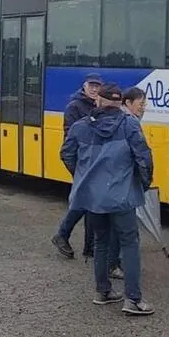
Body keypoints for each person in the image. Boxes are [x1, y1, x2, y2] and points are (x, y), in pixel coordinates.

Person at [60, 83, 154, 316]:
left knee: (100, 242)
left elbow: (67, 154)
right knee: (129, 244)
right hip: (122, 195)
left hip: (93, 197)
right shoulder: (130, 125)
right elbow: (144, 159)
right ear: (120, 103)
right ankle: (133, 299)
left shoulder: (81, 127)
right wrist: (141, 184)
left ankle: (102, 291)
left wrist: (83, 177)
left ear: (98, 101)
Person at [52, 73, 103, 259]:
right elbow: (72, 138)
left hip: (92, 161)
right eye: (91, 85)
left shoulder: (98, 105)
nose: (94, 89)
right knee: (87, 200)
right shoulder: (75, 107)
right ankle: (65, 236)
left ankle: (76, 240)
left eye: (97, 86)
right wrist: (77, 167)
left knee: (88, 201)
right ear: (84, 86)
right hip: (81, 160)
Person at [108, 86, 148, 280]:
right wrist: (145, 180)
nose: (143, 107)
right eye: (141, 103)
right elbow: (141, 156)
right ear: (128, 103)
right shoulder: (129, 122)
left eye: (145, 104)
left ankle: (112, 266)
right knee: (125, 232)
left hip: (115, 183)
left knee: (115, 230)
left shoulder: (122, 119)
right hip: (124, 184)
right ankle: (118, 268)